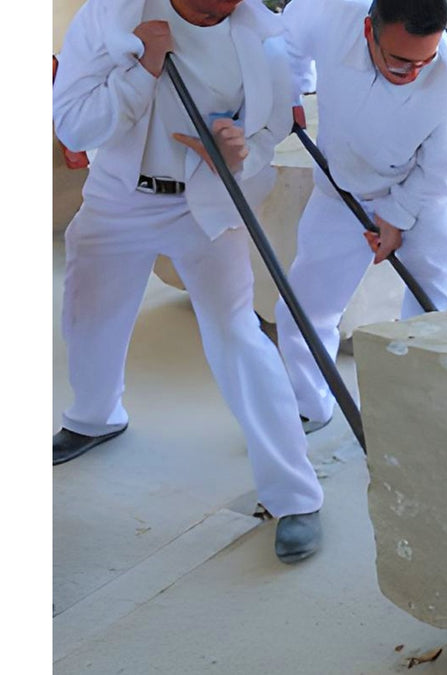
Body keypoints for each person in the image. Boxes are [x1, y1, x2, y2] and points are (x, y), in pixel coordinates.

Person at [52, 0, 323, 564]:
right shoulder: (110, 19)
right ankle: (95, 419)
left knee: (236, 333)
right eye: (203, 2)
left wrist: (238, 152)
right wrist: (142, 66)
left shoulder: (263, 41)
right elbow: (74, 124)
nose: (215, 11)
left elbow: (268, 134)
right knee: (88, 314)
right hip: (119, 198)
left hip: (205, 204)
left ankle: (295, 495)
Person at [276, 0, 447, 433]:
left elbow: (446, 171)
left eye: (424, 61)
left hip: (424, 194)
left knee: (434, 306)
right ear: (367, 29)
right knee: (303, 306)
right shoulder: (331, 12)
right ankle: (308, 403)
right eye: (399, 59)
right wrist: (288, 90)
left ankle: (421, 411)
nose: (411, 72)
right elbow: (286, 39)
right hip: (341, 187)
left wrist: (395, 217)